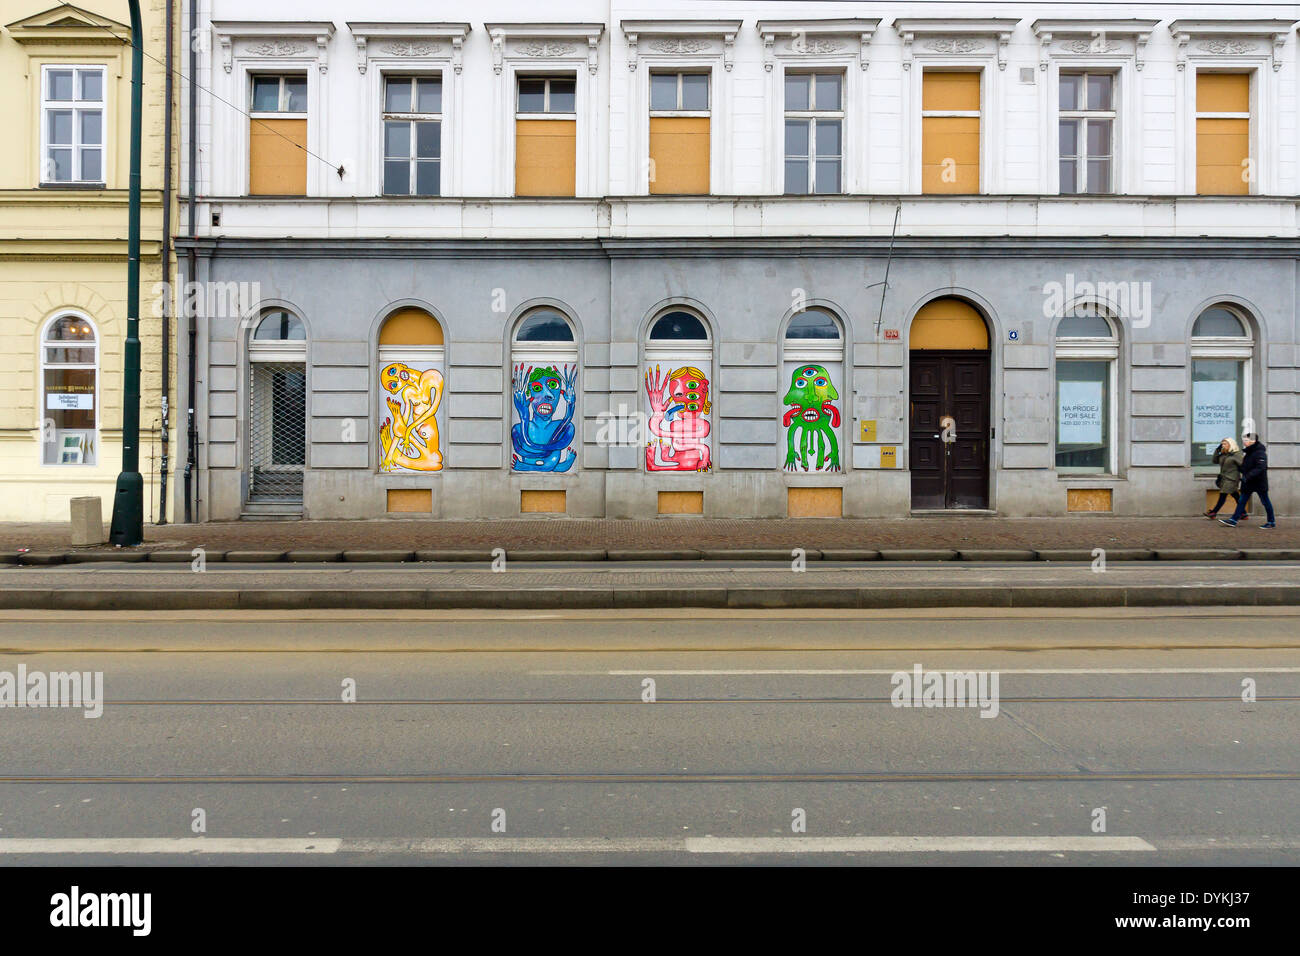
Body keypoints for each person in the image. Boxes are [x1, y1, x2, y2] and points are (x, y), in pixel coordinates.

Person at [1220, 433, 1276, 528]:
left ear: (1253, 441)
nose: (1244, 442)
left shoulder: (1260, 452)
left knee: (1265, 502)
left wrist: (1248, 475)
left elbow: (1260, 467)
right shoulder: (1249, 452)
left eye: (1246, 440)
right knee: (1242, 501)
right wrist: (1239, 469)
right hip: (1248, 482)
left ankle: (1271, 522)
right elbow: (1246, 466)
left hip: (1258, 482)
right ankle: (1233, 520)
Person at [1204, 437, 1243, 518]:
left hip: (1232, 478)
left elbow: (1243, 465)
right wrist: (1217, 450)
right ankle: (1243, 513)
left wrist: (1244, 476)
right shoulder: (1224, 454)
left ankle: (1213, 512)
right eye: (1222, 444)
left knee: (1223, 494)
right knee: (1235, 495)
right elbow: (1214, 461)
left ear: (1230, 444)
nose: (1223, 445)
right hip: (1224, 478)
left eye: (1225, 444)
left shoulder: (1236, 454)